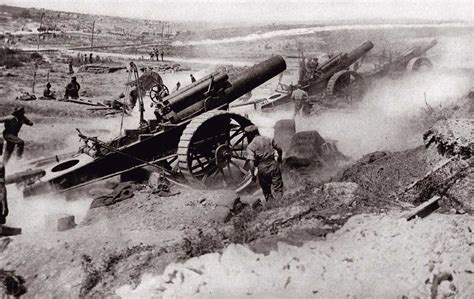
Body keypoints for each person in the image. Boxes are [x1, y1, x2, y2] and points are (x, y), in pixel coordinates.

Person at [245, 125, 283, 202]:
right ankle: (281, 204)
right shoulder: (268, 139)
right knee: (278, 188)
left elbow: (251, 162)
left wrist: (253, 175)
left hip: (262, 168)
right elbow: (279, 149)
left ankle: (271, 207)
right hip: (273, 164)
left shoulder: (251, 146)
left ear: (250, 134)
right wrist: (279, 157)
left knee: (266, 190)